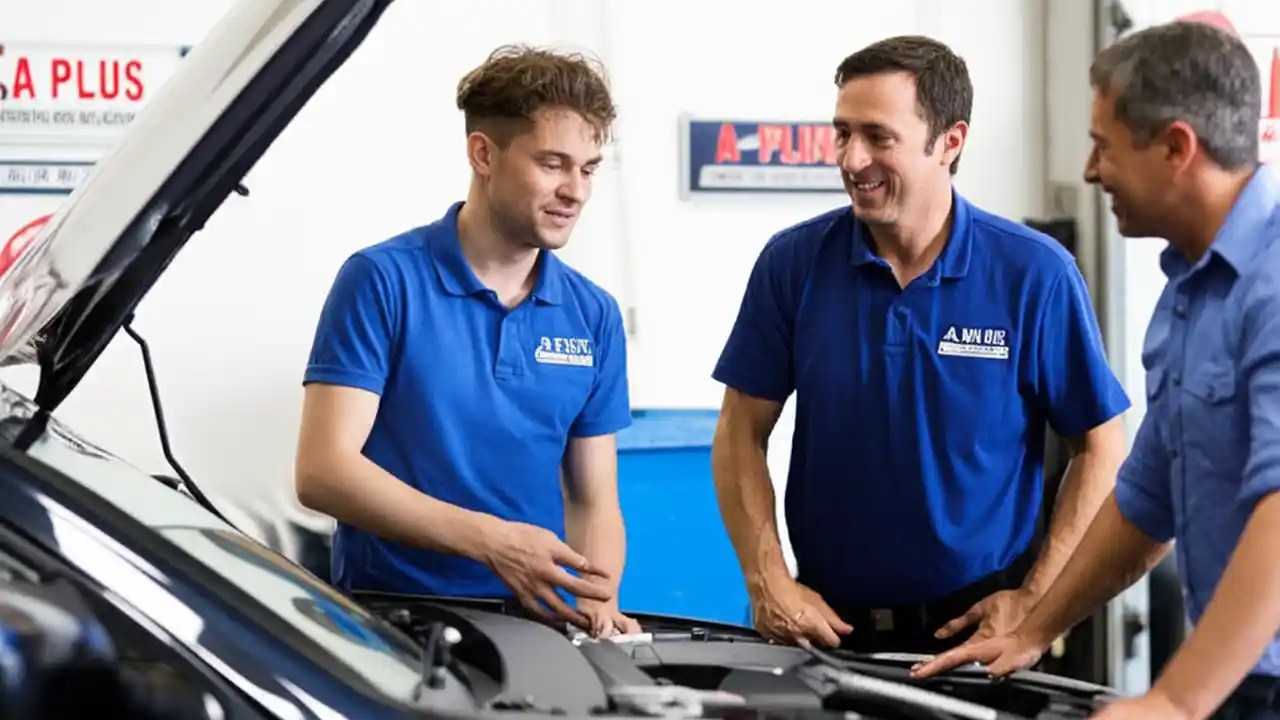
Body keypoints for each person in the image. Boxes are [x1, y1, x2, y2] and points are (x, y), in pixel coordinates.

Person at [710, 35, 1130, 654]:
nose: (852, 160)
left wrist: (1039, 598)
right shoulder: (793, 263)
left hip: (976, 634)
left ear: (950, 142)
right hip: (827, 628)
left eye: (879, 137)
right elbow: (739, 431)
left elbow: (1101, 444)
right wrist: (768, 578)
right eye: (842, 133)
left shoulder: (1034, 273)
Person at [912, 20, 1280, 720]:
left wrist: (1174, 699)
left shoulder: (1272, 284)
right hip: (1235, 680)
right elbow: (1145, 502)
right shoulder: (1188, 293)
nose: (1089, 171)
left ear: (1176, 147)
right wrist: (1033, 628)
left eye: (1103, 147)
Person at [293, 44, 640, 638]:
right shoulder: (382, 280)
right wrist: (492, 543)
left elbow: (593, 498)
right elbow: (323, 471)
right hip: (389, 619)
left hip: (537, 622)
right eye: (553, 163)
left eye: (588, 168)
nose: (576, 191)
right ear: (483, 153)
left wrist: (596, 603)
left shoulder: (593, 314)